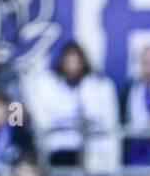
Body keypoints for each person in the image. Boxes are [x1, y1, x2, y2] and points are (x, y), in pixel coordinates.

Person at [29, 40, 120, 169]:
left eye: (76, 61)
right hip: (59, 149)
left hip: (93, 151)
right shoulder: (48, 85)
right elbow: (40, 120)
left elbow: (110, 122)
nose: (72, 67)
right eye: (68, 61)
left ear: (83, 62)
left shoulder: (99, 86)